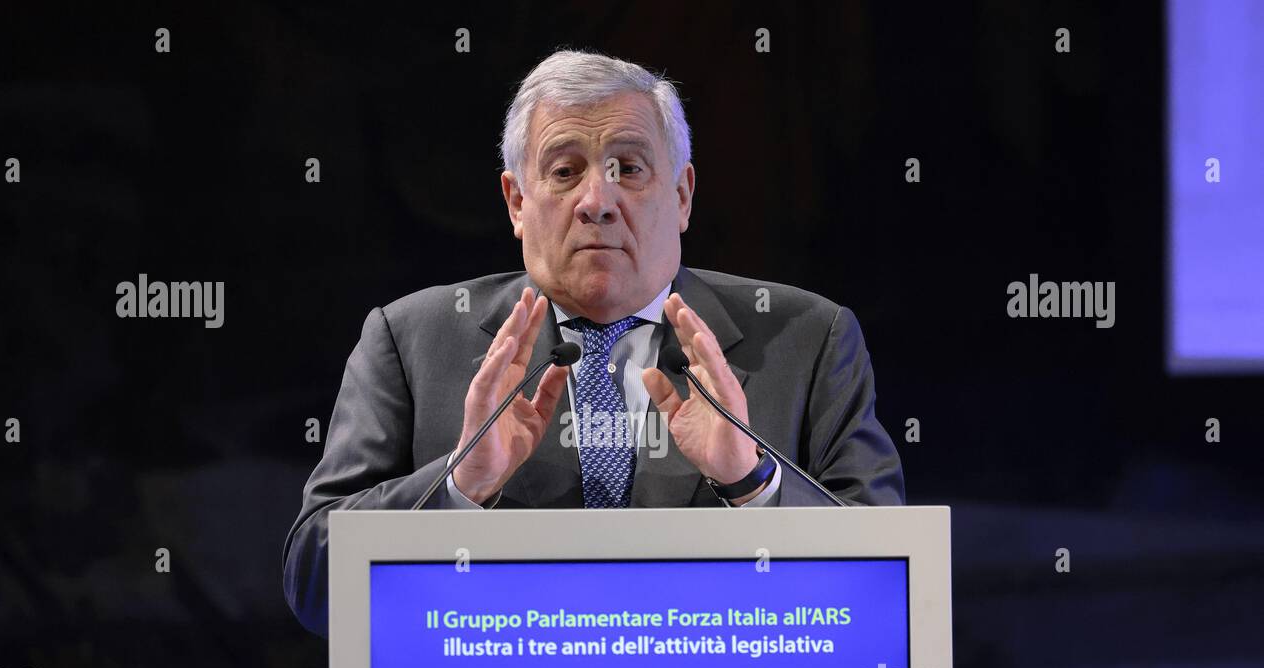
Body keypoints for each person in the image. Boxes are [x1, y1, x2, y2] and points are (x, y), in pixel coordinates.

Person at [283, 50, 904, 636]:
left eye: (628, 169)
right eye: (564, 171)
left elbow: (889, 592)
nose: (597, 202)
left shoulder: (810, 339)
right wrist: (457, 488)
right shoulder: (410, 341)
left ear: (683, 195)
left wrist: (753, 483)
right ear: (517, 202)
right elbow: (314, 587)